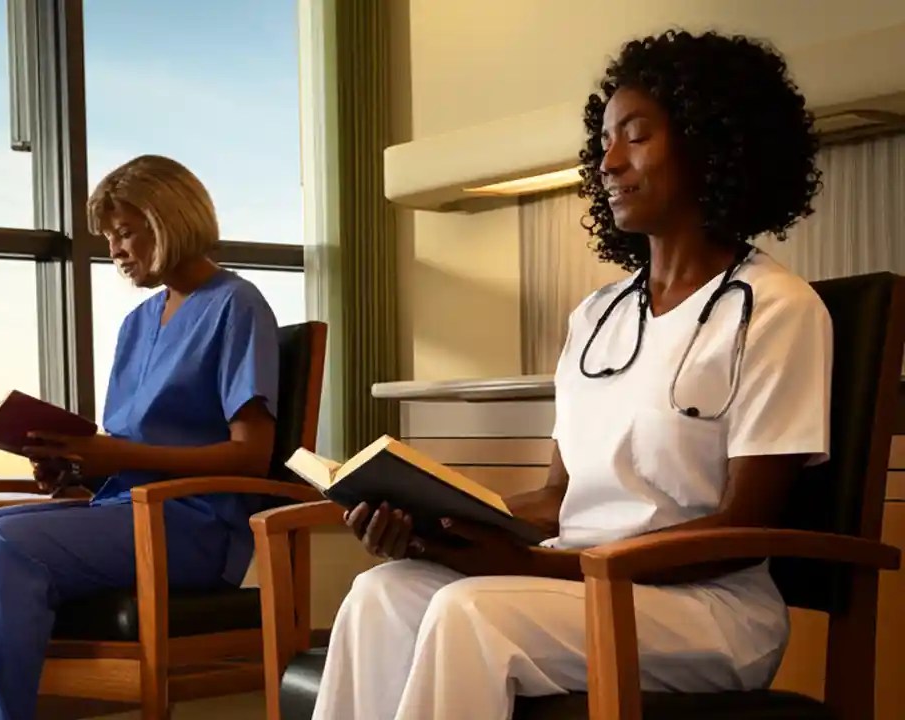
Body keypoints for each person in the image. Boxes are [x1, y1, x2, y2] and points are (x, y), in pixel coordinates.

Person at [315, 29, 831, 720]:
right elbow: (561, 498)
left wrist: (535, 567)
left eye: (636, 137)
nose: (608, 162)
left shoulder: (776, 309)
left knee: (473, 612)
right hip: (579, 582)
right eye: (605, 142)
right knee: (383, 592)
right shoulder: (596, 316)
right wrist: (441, 525)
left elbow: (745, 523)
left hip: (706, 612)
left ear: (712, 143)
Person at [0, 154, 281, 720]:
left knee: (4, 545)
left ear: (168, 220)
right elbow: (126, 449)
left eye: (125, 233)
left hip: (193, 527)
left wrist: (114, 455)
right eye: (109, 237)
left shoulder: (237, 304)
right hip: (121, 511)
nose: (116, 250)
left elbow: (253, 455)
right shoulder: (137, 325)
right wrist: (76, 465)